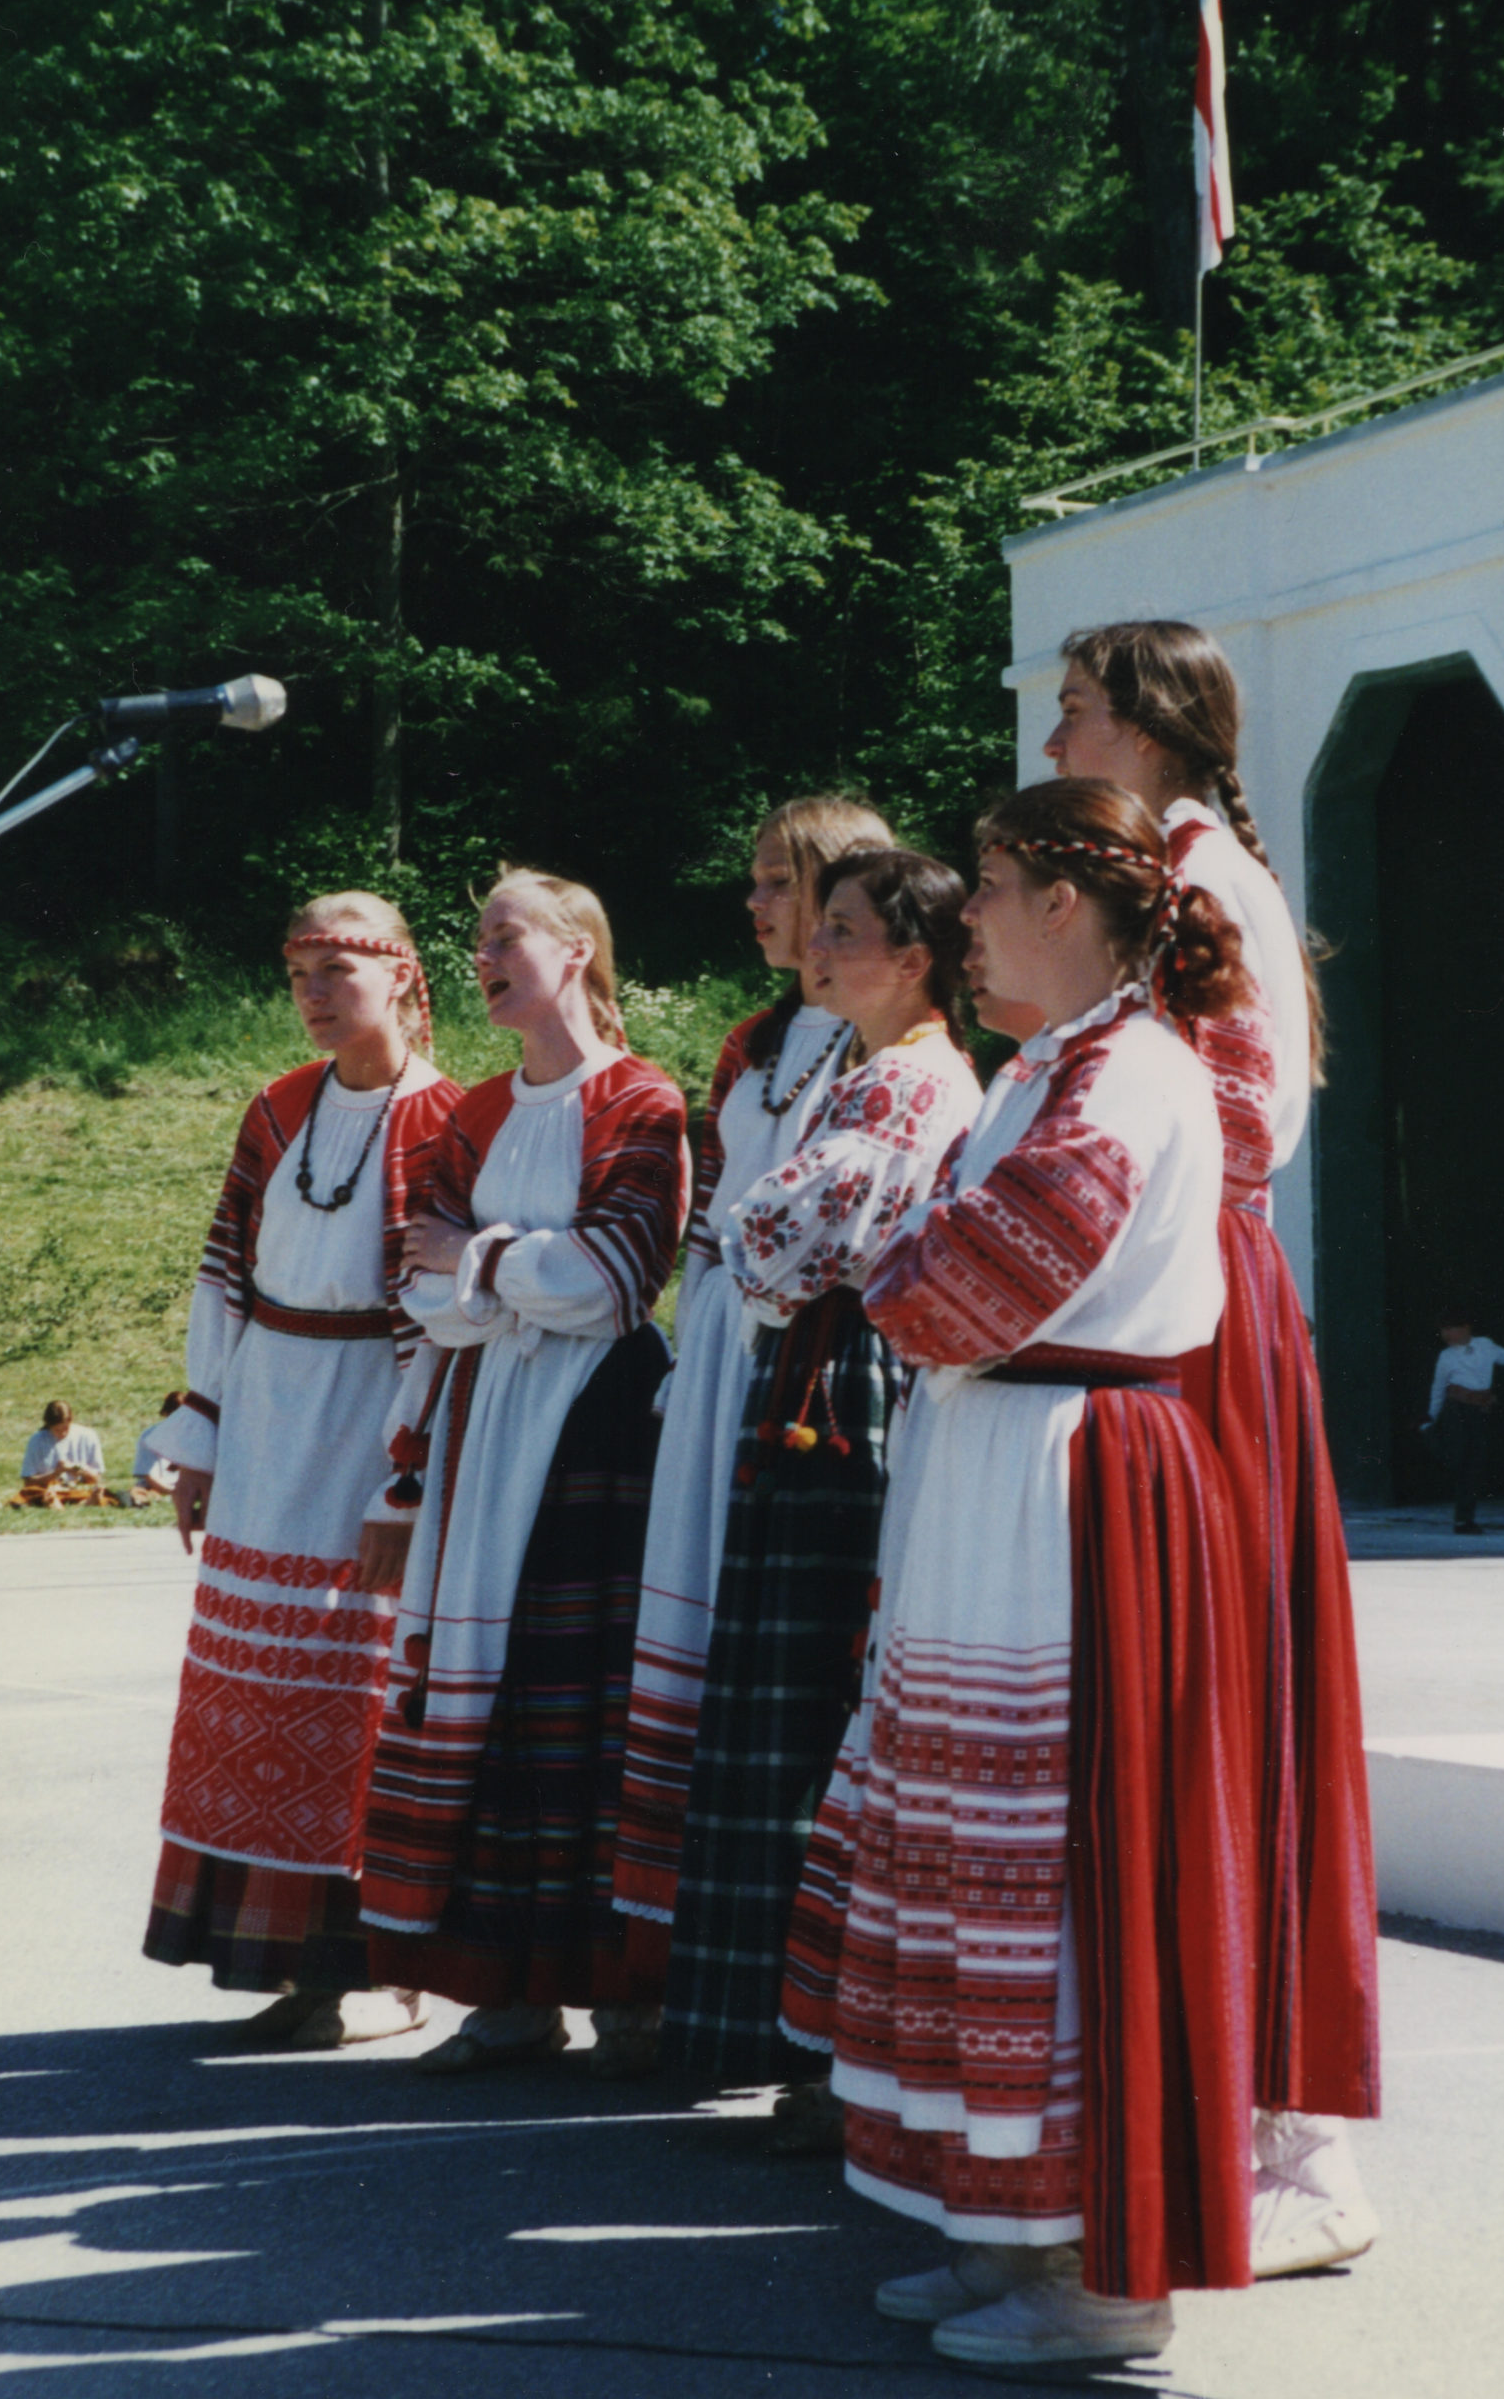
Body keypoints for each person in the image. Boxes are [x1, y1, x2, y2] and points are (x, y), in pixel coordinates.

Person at [830, 780, 1256, 2377]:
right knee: (967, 1836)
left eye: (994, 884)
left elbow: (974, 1272)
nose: (971, 915)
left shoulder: (1133, 1071)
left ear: (1067, 903)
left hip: (1072, 1471)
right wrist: (909, 1259)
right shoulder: (1051, 1066)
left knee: (1058, 1852)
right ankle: (1006, 2225)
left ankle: (1098, 2270)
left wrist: (898, 1260)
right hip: (1000, 1460)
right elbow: (935, 1258)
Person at [1044, 618, 1380, 2280]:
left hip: (1198, 1301)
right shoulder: (1174, 869)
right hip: (1177, 1283)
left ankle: (1294, 2144)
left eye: (1076, 711)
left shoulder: (1197, 881)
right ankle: (1196, 2109)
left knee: (1228, 1695)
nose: (1055, 739)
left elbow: (1244, 1118)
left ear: (1154, 728)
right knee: (1185, 1698)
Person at [355, 867, 689, 2077]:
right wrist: (507, 1274)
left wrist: (481, 1265)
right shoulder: (478, 1109)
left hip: (596, 1428)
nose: (483, 956)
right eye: (478, 937)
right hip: (487, 1424)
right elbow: (414, 1278)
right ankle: (506, 1993)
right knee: (489, 1695)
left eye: (506, 935)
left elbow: (614, 1281)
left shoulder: (642, 1100)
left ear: (576, 949)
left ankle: (625, 1995)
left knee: (585, 1696)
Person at [658, 849, 983, 2092]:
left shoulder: (903, 1078)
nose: (817, 947)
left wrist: (756, 1237)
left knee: (799, 1697)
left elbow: (779, 1234)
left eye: (844, 929)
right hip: (823, 1364)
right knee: (792, 1692)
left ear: (912, 960)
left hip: (840, 1380)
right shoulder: (877, 1070)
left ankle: (801, 2038)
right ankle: (793, 2034)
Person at [143, 894, 461, 2048]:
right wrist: (203, 1431)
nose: (313, 995)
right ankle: (289, 1964)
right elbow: (225, 1268)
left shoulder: (449, 1119)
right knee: (265, 1696)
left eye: (337, 970)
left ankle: (388, 1971)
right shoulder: (278, 1106)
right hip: (270, 1419)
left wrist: (405, 1478)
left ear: (403, 975)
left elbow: (442, 1325)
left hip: (368, 1419)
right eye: (297, 975)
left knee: (361, 1691)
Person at [612, 794, 891, 2018]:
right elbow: (710, 1205)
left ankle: (795, 1978)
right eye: (759, 881)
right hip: (727, 1334)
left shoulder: (886, 1045)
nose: (758, 903)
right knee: (704, 1624)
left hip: (816, 1346)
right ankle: (683, 1963)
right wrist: (691, 1348)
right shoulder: (750, 1042)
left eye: (782, 881)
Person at [1424, 1312, 1504, 1535]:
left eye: (1451, 1328)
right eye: (1443, 1330)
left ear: (1465, 1327)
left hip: (1478, 1410)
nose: (1446, 1334)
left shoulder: (1484, 1345)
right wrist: (1432, 1417)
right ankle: (1462, 1519)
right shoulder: (1446, 1356)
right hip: (1457, 1410)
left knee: (1474, 1462)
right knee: (1461, 1460)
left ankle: (1465, 1519)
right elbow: (1439, 1387)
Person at [21, 1402, 106, 1485]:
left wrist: (77, 1468)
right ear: (49, 1426)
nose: (62, 1433)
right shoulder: (37, 1440)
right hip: (47, 1491)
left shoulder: (88, 1436)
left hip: (81, 1490)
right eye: (57, 1430)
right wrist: (56, 1473)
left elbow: (97, 1479)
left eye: (66, 1428)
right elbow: (28, 1481)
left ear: (71, 1421)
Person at [133, 1392, 186, 1495]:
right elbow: (147, 1475)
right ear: (166, 1414)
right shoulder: (150, 1436)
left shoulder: (198, 1435)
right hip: (155, 1486)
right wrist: (171, 1492)